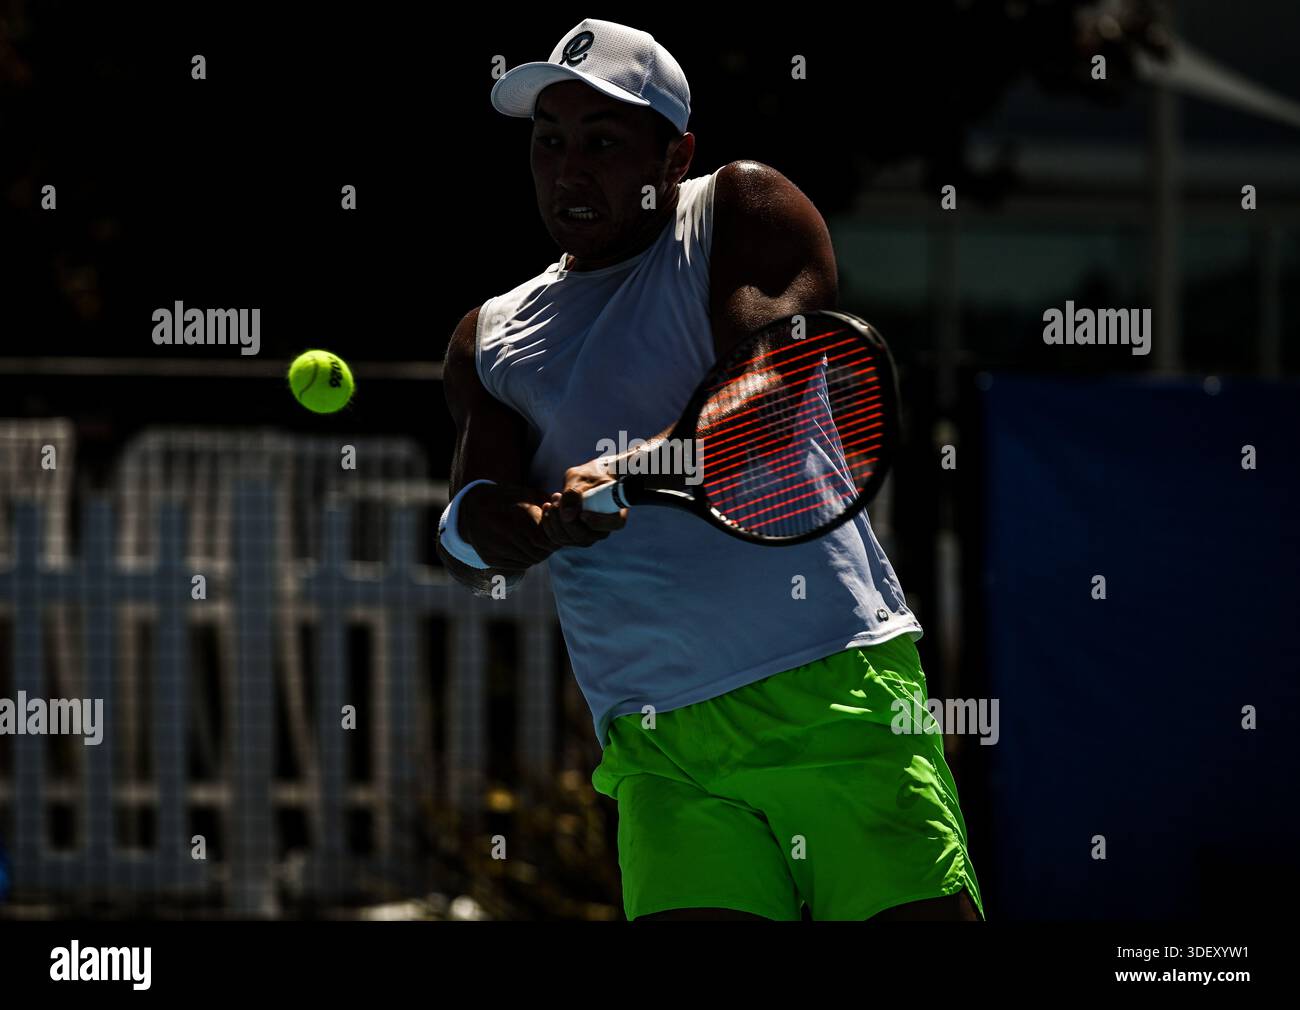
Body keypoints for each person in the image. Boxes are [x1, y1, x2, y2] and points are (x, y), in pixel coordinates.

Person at [438, 18, 983, 922]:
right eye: (550, 143)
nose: (570, 170)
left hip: (829, 684)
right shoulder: (489, 336)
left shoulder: (742, 209)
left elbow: (764, 405)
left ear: (675, 154)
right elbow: (467, 530)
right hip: (655, 740)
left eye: (604, 143)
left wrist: (631, 471)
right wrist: (520, 529)